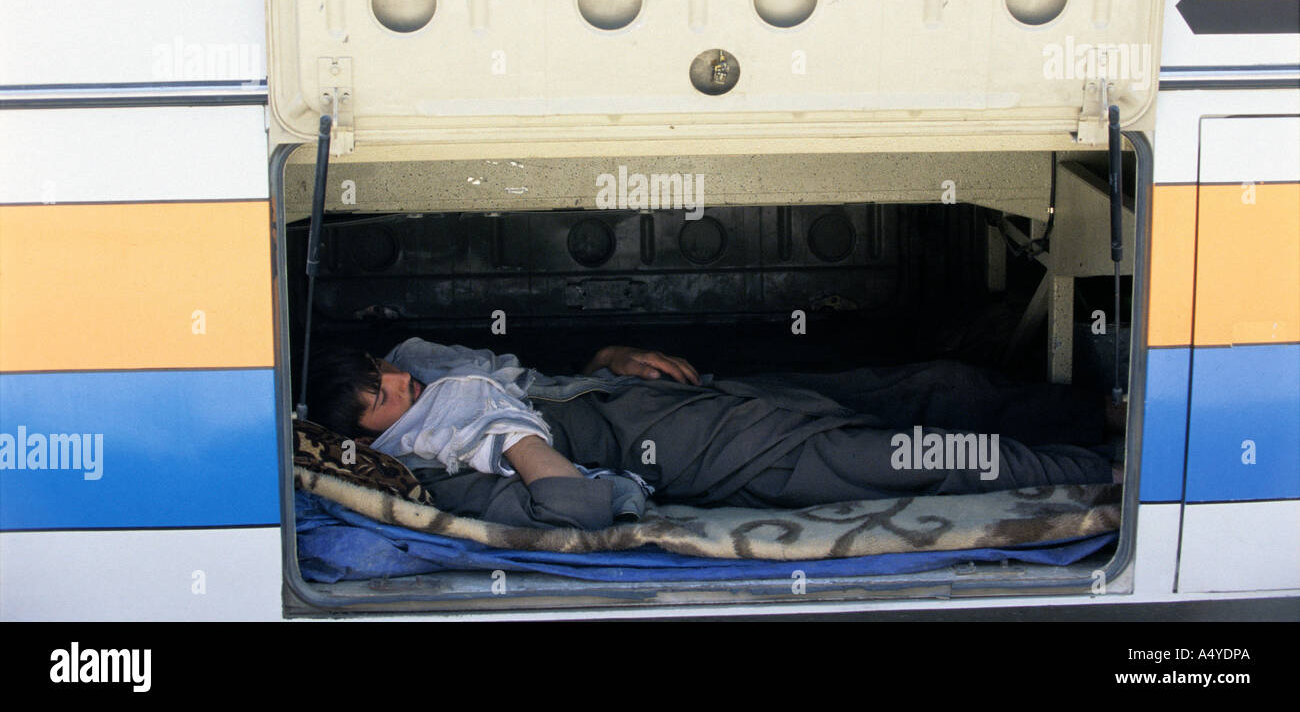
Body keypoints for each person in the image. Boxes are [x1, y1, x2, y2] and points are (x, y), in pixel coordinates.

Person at [306, 338, 1119, 531]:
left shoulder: (442, 379)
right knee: (949, 459)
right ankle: (1115, 468)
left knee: (946, 386)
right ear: (369, 435)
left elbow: (528, 372)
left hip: (710, 401)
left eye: (389, 372)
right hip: (737, 456)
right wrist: (505, 433)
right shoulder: (446, 457)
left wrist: (609, 356)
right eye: (382, 395)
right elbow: (569, 504)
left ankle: (1111, 415)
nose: (403, 385)